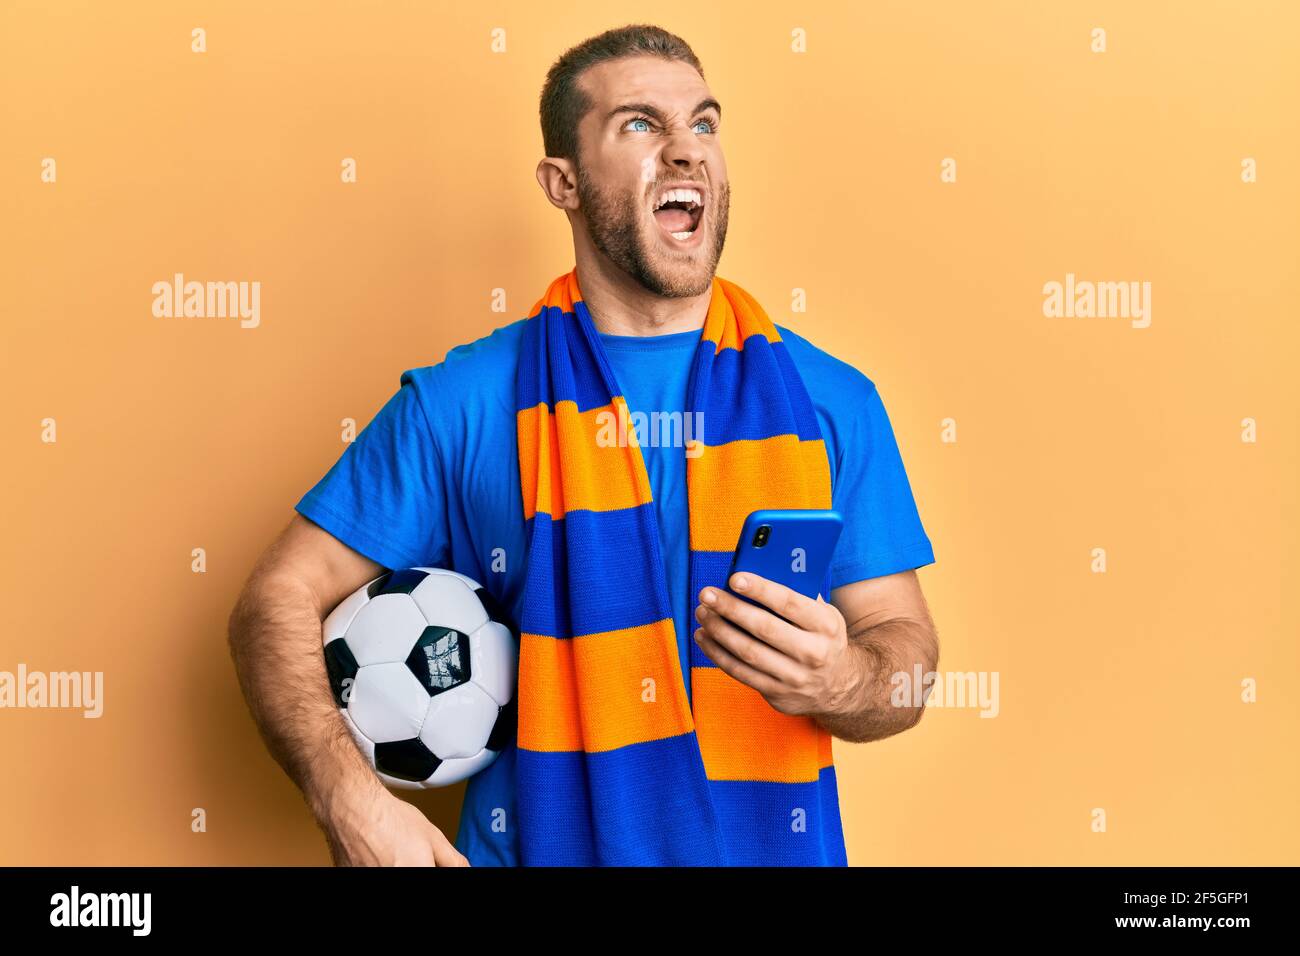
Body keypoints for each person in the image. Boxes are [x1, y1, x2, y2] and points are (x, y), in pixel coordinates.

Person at [228, 23, 939, 867]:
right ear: (562, 182)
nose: (685, 152)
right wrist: (351, 805)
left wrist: (844, 680)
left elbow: (908, 657)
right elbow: (273, 601)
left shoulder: (831, 403)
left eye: (703, 125)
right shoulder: (465, 401)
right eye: (640, 125)